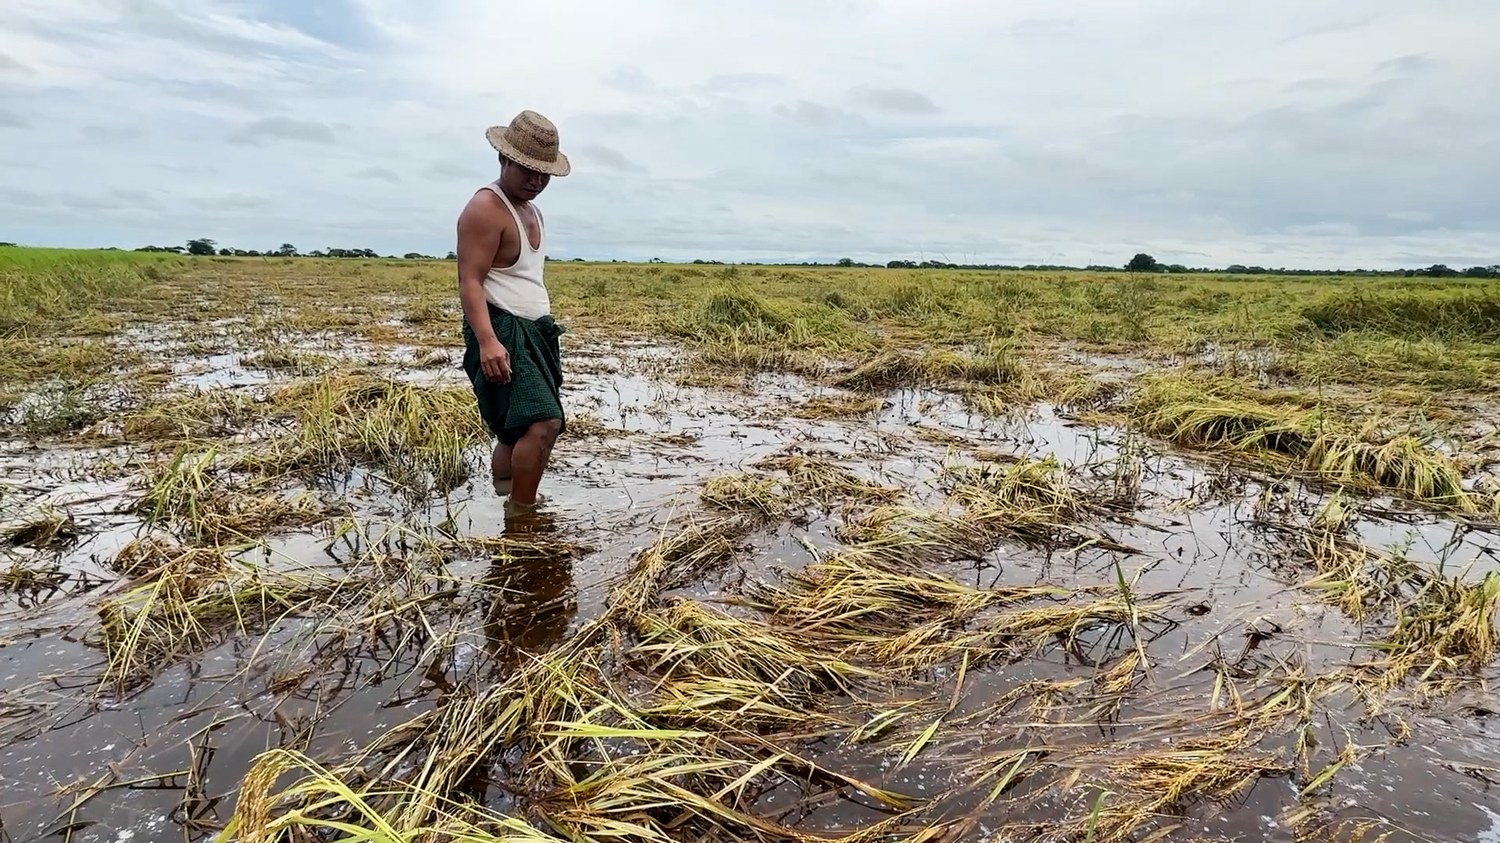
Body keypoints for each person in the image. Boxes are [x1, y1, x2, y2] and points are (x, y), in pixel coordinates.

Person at [456, 110, 571, 508]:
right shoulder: (487, 208)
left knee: (513, 428)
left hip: (534, 331)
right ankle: (523, 516)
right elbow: (470, 279)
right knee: (544, 422)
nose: (536, 181)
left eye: (544, 174)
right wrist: (488, 342)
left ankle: (503, 497)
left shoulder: (532, 209)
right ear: (503, 159)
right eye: (527, 170)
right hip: (502, 328)